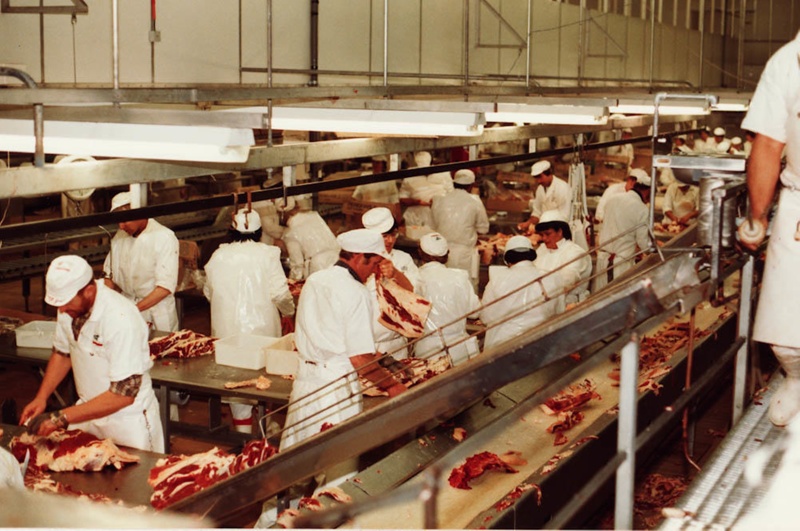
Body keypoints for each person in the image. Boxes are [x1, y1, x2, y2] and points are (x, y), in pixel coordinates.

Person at [20, 255, 164, 452]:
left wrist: (61, 417)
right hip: (85, 412)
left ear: (88, 291)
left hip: (126, 420)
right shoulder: (69, 307)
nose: (61, 309)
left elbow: (124, 394)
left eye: (66, 303)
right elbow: (63, 353)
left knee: (134, 479)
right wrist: (41, 397)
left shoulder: (120, 318)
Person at [280, 228, 407, 450]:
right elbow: (360, 359)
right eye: (374, 263)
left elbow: (330, 332)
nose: (374, 270)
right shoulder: (355, 291)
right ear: (359, 257)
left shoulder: (315, 279)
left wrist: (382, 359)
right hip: (335, 389)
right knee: (337, 468)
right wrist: (392, 386)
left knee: (295, 460)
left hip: (305, 384)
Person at [739, 29, 800, 427]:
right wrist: (758, 217)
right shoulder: (787, 63)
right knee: (787, 330)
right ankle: (796, 378)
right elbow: (768, 145)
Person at [203, 208, 295, 433]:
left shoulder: (218, 255)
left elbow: (208, 291)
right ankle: (266, 426)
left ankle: (243, 433)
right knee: (265, 376)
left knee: (235, 378)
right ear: (259, 231)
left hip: (227, 327)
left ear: (231, 231)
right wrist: (289, 311)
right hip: (261, 326)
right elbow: (280, 293)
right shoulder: (268, 254)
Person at [103, 192, 179, 332]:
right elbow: (110, 277)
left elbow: (164, 288)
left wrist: (133, 310)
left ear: (141, 214)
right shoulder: (120, 237)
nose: (121, 226)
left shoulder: (164, 237)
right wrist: (99, 303)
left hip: (156, 312)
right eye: (118, 221)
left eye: (125, 221)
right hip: (127, 309)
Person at [480, 235, 562, 351]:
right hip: (540, 344)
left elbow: (485, 316)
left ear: (507, 259)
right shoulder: (552, 277)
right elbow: (559, 313)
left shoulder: (497, 279)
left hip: (501, 347)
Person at [413, 232, 481, 366]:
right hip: (458, 347)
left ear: (420, 253)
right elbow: (475, 312)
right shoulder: (460, 277)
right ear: (447, 254)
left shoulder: (415, 277)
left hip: (427, 348)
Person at [362, 207, 420, 359]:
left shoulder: (403, 259)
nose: (389, 240)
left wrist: (396, 274)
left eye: (393, 235)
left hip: (395, 344)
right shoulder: (358, 261)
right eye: (384, 236)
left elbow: (415, 295)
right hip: (365, 346)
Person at [430, 169, 490, 291]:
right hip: (465, 254)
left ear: (453, 183)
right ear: (471, 185)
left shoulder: (439, 200)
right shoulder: (475, 201)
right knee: (466, 288)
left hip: (441, 251)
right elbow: (483, 228)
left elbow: (434, 224)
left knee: (444, 287)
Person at [593, 170, 653, 291]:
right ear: (646, 191)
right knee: (612, 300)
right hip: (618, 264)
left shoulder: (613, 199)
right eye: (650, 196)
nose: (649, 200)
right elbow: (643, 243)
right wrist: (656, 250)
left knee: (599, 299)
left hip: (603, 258)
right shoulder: (641, 209)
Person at [533, 210, 592, 305]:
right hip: (542, 302)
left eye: (548, 234)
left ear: (560, 232)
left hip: (569, 306)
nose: (544, 238)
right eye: (542, 235)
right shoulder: (542, 250)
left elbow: (566, 282)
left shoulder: (575, 252)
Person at [279, 197, 340, 280]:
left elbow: (297, 265)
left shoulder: (290, 232)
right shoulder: (314, 216)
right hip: (336, 257)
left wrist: (293, 281)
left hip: (318, 266)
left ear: (283, 214)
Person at [398, 151, 448, 233]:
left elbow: (451, 195)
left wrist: (437, 202)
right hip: (415, 217)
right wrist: (419, 202)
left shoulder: (443, 174)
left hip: (438, 216)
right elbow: (402, 199)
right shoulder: (410, 176)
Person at [519, 160, 572, 230]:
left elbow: (565, 216)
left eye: (540, 177)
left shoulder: (562, 188)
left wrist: (546, 224)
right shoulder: (540, 189)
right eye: (536, 178)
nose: (538, 181)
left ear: (549, 173)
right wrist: (528, 223)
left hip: (559, 230)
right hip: (545, 230)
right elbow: (537, 212)